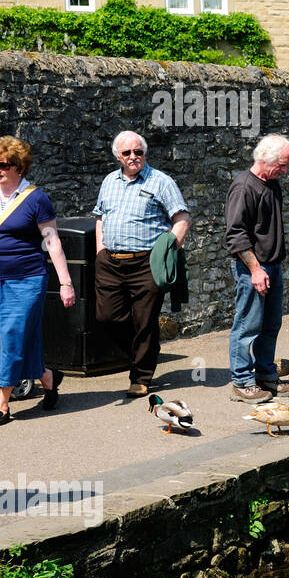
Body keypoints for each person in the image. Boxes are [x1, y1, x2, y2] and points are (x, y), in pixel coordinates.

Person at [92, 131, 190, 397]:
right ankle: (143, 352)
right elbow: (100, 217)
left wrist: (168, 250)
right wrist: (100, 248)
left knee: (145, 321)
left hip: (146, 263)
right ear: (118, 157)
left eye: (139, 152)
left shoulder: (161, 182)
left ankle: (141, 376)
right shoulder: (109, 181)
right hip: (110, 262)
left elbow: (181, 219)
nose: (133, 157)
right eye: (127, 153)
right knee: (106, 316)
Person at [0, 136, 76, 424]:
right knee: (21, 337)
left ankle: (3, 405)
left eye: (4, 165)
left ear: (19, 167)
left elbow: (52, 242)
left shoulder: (35, 198)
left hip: (27, 279)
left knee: (10, 334)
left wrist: (66, 283)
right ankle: (48, 377)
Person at [225, 134, 289, 403]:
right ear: (266, 159)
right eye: (282, 165)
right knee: (247, 325)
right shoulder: (244, 187)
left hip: (274, 265)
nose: (285, 171)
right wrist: (256, 270)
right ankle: (242, 382)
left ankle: (266, 376)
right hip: (253, 269)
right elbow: (236, 235)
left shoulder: (272, 182)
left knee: (270, 325)